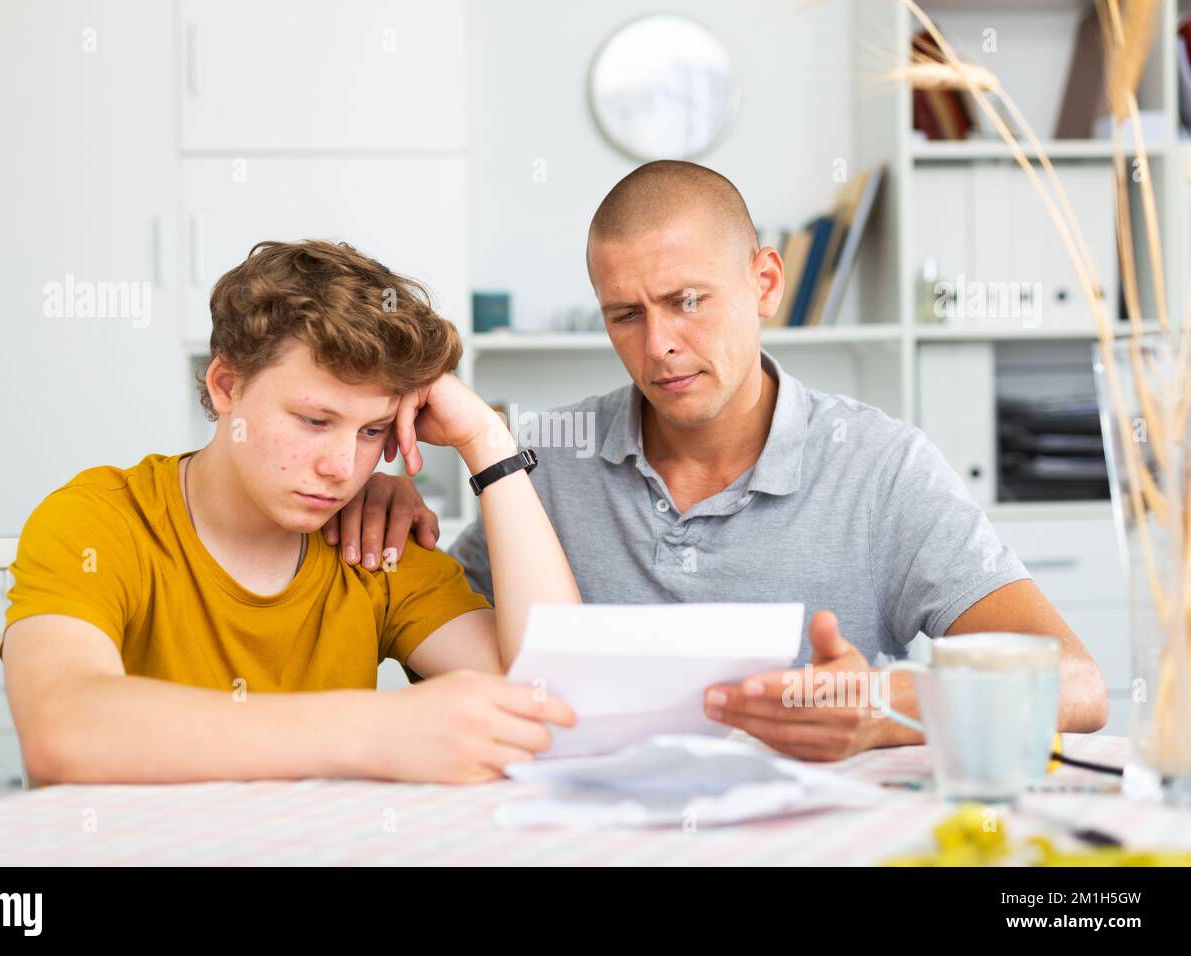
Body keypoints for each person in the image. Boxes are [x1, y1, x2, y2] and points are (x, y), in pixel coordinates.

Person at [334, 161, 1110, 762]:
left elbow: (1076, 685)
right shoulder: (544, 459)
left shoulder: (882, 468)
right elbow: (452, 648)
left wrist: (885, 703)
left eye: (687, 301)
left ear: (764, 282)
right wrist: (388, 502)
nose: (659, 344)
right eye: (626, 315)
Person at [1, 239, 580, 786]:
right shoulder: (101, 520)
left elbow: (559, 702)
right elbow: (63, 729)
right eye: (314, 421)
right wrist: (376, 729)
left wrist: (488, 445)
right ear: (227, 385)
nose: (342, 467)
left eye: (372, 431)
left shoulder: (375, 539)